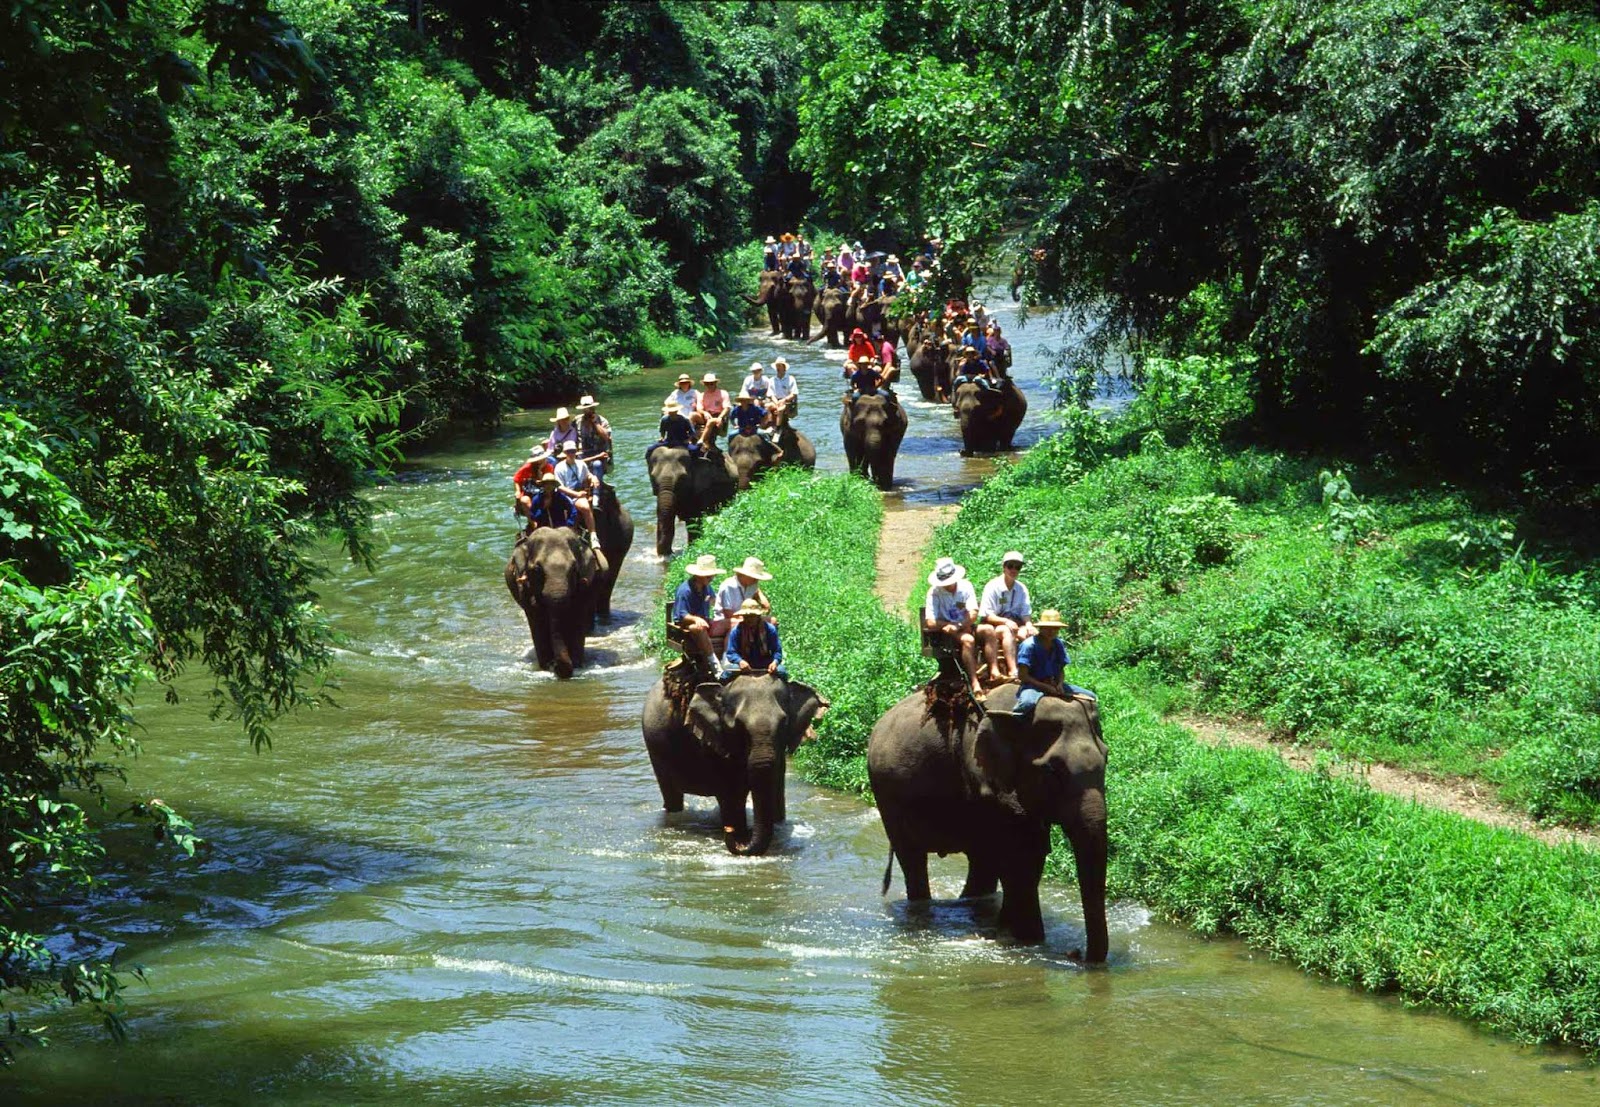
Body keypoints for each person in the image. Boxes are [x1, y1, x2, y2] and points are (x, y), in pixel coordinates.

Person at [1013, 609, 1095, 717]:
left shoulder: (1058, 644)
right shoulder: (1029, 646)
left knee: (1091, 696)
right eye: (1048, 628)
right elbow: (1023, 676)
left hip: (1054, 683)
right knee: (1026, 704)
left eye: (1055, 628)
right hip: (1033, 684)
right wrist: (1044, 687)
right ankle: (1014, 724)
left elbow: (1061, 669)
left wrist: (1060, 683)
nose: (1051, 632)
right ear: (1041, 628)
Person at [924, 557, 984, 697]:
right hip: (948, 631)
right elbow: (931, 622)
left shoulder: (966, 586)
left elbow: (973, 612)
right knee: (968, 640)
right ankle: (974, 681)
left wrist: (961, 625)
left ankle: (996, 671)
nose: (948, 585)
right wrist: (949, 625)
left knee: (988, 630)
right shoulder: (934, 593)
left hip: (965, 624)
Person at [979, 551, 1036, 682]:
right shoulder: (992, 586)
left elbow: (1025, 613)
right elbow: (987, 615)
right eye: (1010, 566)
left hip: (1016, 623)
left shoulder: (1022, 588)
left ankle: (1033, 669)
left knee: (1026, 634)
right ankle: (1013, 670)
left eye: (1017, 567)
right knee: (1007, 630)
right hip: (995, 625)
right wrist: (1005, 621)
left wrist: (1029, 625)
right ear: (1004, 567)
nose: (1014, 570)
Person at [672, 553, 723, 673]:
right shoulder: (685, 590)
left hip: (705, 620)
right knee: (699, 628)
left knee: (731, 623)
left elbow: (712, 600)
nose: (711, 579)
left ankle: (727, 657)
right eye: (708, 576)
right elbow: (682, 615)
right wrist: (696, 619)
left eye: (712, 576)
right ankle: (714, 663)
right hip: (686, 624)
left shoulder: (706, 587)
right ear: (698, 575)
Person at [722, 597, 785, 679]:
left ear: (758, 616)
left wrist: (774, 662)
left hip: (765, 663)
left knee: (782, 671)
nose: (749, 619)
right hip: (745, 664)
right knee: (727, 674)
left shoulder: (769, 629)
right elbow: (731, 652)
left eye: (752, 616)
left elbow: (777, 651)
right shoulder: (736, 631)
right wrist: (740, 661)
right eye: (746, 616)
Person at [713, 556, 772, 640]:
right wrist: (750, 619)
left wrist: (760, 594)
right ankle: (728, 652)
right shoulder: (728, 586)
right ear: (745, 575)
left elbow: (766, 607)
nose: (757, 580)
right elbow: (728, 614)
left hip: (747, 618)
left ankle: (770, 650)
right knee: (738, 624)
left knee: (772, 621)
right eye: (755, 577)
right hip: (725, 620)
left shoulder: (753, 585)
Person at [552, 441, 600, 542]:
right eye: (569, 451)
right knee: (585, 506)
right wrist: (576, 494)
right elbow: (559, 486)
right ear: (565, 453)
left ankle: (593, 535)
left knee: (586, 505)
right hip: (567, 495)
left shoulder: (581, 464)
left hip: (580, 492)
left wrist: (593, 478)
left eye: (573, 451)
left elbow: (588, 475)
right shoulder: (559, 467)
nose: (571, 454)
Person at [511, 444, 554, 525]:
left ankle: (547, 520)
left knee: (549, 500)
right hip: (530, 493)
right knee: (524, 500)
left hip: (544, 492)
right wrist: (518, 491)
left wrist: (541, 475)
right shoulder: (527, 468)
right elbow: (516, 479)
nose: (539, 461)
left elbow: (550, 483)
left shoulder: (549, 467)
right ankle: (533, 523)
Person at [730, 391, 781, 458]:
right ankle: (730, 453)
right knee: (730, 435)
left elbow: (765, 414)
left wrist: (762, 424)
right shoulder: (736, 409)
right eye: (742, 400)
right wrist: (734, 425)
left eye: (745, 400)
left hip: (753, 428)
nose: (743, 402)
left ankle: (776, 450)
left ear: (748, 401)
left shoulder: (754, 408)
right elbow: (731, 418)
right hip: (742, 429)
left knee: (764, 434)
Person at [575, 395, 612, 485]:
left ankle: (597, 489)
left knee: (597, 465)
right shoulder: (577, 421)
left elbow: (606, 437)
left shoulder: (602, 421)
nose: (588, 411)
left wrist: (595, 423)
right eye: (586, 409)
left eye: (590, 409)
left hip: (599, 454)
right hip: (582, 454)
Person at [649, 399, 700, 463]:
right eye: (670, 412)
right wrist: (662, 438)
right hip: (669, 441)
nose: (672, 413)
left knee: (695, 449)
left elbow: (691, 432)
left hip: (682, 441)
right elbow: (662, 431)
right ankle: (650, 462)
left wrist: (688, 440)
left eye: (673, 411)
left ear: (676, 411)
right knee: (650, 449)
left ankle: (695, 464)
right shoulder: (664, 420)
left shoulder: (684, 420)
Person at [693, 372, 730, 451]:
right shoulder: (702, 395)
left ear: (715, 383)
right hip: (706, 416)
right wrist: (705, 413)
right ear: (704, 384)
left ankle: (701, 440)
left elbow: (727, 408)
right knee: (692, 415)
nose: (709, 386)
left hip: (719, 417)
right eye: (707, 384)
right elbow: (699, 408)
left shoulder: (723, 393)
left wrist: (720, 417)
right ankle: (690, 436)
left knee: (711, 421)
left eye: (711, 383)